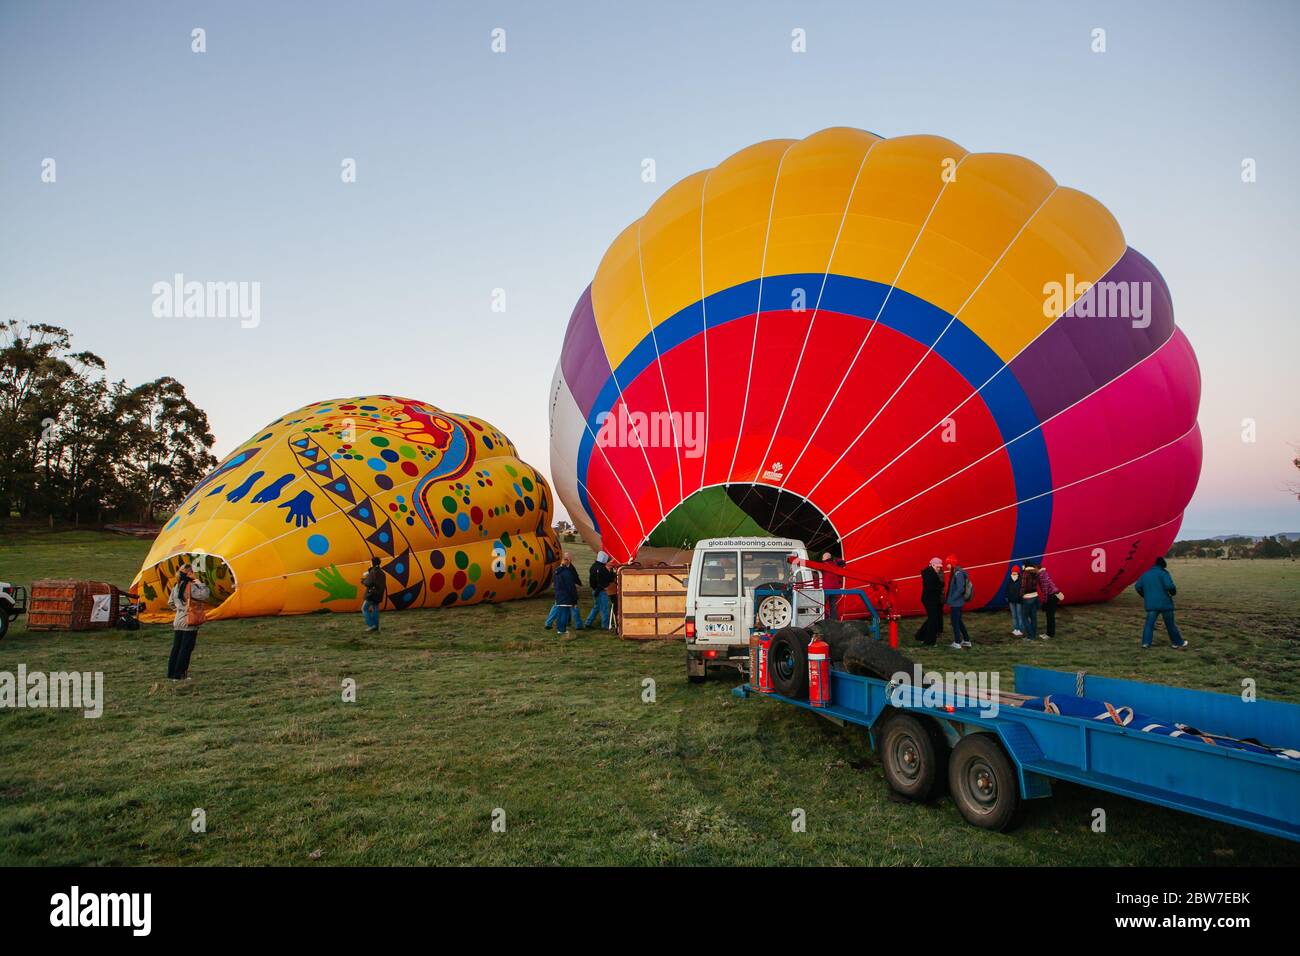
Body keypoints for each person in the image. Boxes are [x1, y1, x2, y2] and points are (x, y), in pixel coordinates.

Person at [166, 564, 209, 681]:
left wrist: (180, 609)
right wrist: (200, 583)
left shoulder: (176, 586)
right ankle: (180, 674)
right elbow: (205, 594)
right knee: (186, 649)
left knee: (176, 647)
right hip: (189, 621)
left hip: (178, 620)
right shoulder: (191, 586)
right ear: (189, 574)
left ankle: (171, 673)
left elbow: (170, 603)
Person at [1134, 556, 1188, 649]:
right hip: (1165, 603)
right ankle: (1177, 643)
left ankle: (1146, 643)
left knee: (1149, 624)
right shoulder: (1164, 573)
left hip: (1151, 604)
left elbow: (1137, 586)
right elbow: (1170, 586)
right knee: (1170, 624)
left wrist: (1145, 595)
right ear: (1163, 565)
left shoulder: (1145, 574)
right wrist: (1173, 593)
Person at [914, 557, 945, 646]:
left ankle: (920, 636)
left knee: (932, 619)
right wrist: (940, 585)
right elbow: (931, 587)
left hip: (931, 599)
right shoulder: (929, 574)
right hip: (930, 600)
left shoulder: (930, 573)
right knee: (933, 620)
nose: (939, 569)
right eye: (937, 567)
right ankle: (929, 642)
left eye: (940, 567)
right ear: (932, 565)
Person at [944, 554, 972, 649]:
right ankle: (967, 640)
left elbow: (960, 589)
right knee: (959, 621)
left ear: (952, 563)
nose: (946, 566)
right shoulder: (956, 573)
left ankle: (957, 642)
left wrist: (951, 598)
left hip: (956, 603)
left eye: (948, 564)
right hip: (957, 602)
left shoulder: (958, 574)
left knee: (955, 622)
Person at [552, 553, 582, 636]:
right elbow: (571, 587)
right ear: (568, 561)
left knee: (560, 614)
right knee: (564, 615)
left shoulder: (556, 571)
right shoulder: (567, 573)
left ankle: (559, 629)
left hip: (559, 596)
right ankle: (562, 630)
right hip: (566, 597)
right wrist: (574, 599)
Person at [585, 551, 617, 629]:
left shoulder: (593, 566)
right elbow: (608, 578)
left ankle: (588, 622)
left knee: (597, 607)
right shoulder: (601, 568)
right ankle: (605, 625)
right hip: (601, 591)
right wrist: (614, 574)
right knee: (605, 608)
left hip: (595, 590)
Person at [1037, 564, 1065, 639]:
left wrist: (1045, 601)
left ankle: (1050, 634)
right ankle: (1048, 633)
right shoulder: (1043, 574)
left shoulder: (1042, 576)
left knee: (1050, 616)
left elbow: (1045, 590)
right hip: (1053, 595)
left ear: (1037, 569)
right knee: (1049, 616)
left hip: (1051, 596)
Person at [360, 557, 385, 632]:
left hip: (372, 594)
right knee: (375, 609)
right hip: (379, 594)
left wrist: (363, 581)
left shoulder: (373, 572)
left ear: (373, 563)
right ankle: (376, 627)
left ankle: (371, 625)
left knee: (364, 608)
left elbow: (369, 583)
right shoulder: (382, 572)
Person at [1020, 564, 1041, 641]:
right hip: (1035, 596)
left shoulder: (1026, 573)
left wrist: (1020, 595)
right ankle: (1033, 635)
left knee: (1024, 617)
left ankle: (1030, 636)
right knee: (1033, 618)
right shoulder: (1035, 573)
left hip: (1027, 597)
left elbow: (1023, 586)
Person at [821, 552, 844, 621]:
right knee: (833, 605)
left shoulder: (823, 565)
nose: (822, 558)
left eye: (823, 557)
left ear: (826, 558)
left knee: (821, 604)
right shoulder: (835, 564)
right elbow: (843, 562)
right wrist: (834, 559)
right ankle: (834, 620)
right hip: (836, 588)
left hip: (827, 588)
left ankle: (822, 619)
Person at [1005, 565, 1025, 636]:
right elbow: (1007, 589)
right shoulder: (1010, 579)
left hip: (1018, 600)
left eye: (1015, 572)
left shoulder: (1021, 579)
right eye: (1013, 572)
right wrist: (1007, 596)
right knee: (1014, 615)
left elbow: (1022, 590)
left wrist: (1021, 597)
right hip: (1011, 600)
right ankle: (1015, 629)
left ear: (1018, 572)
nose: (1013, 573)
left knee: (1019, 615)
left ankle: (1020, 629)